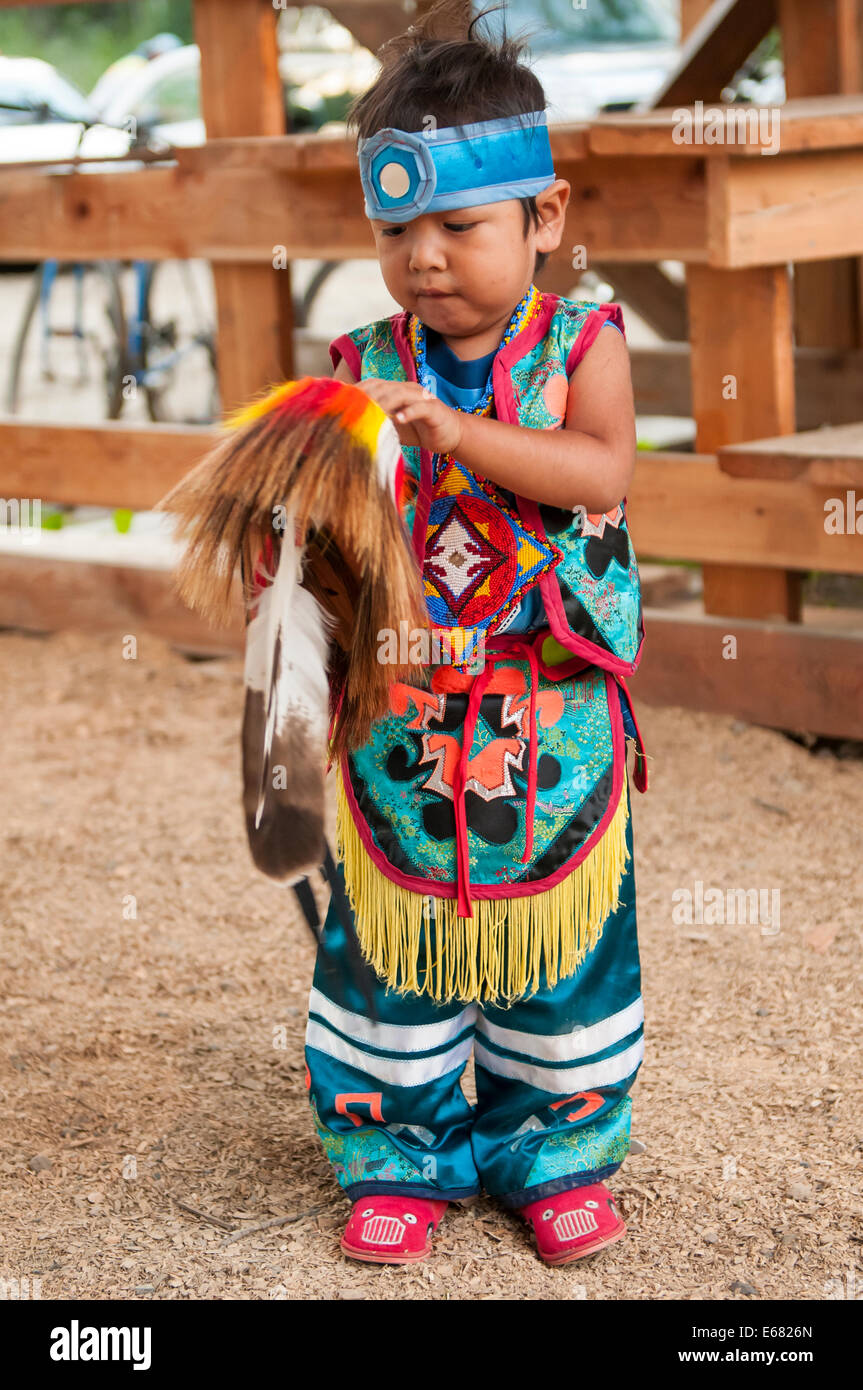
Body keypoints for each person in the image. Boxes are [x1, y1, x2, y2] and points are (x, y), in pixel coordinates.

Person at [304, 0, 649, 1268]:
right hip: (402, 722)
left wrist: (465, 439)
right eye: (397, 229)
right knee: (388, 943)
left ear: (542, 219)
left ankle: (551, 1143)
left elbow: (598, 474)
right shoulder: (360, 358)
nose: (425, 259)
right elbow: (329, 515)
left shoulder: (581, 344)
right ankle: (395, 1145)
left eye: (458, 225)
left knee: (561, 950)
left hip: (542, 720)